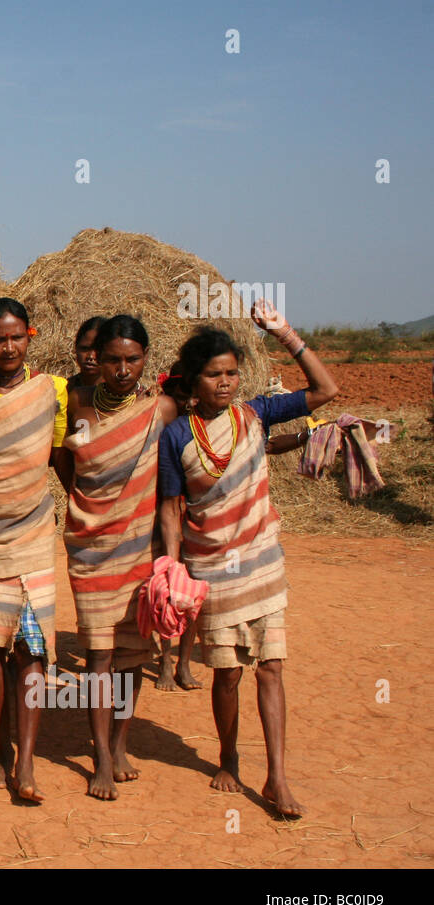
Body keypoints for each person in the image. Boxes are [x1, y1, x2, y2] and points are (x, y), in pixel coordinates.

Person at [157, 301, 338, 818]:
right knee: (228, 675)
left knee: (273, 667)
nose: (226, 383)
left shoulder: (256, 414)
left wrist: (285, 331)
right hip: (212, 571)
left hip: (262, 564)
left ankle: (278, 776)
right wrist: (171, 570)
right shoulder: (176, 436)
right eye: (214, 374)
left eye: (232, 373)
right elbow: (172, 510)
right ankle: (228, 756)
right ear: (194, 379)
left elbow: (326, 391)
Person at [60, 315, 178, 800]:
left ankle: (121, 743)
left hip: (138, 550)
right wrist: (93, 511)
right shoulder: (78, 405)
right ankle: (101, 757)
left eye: (132, 359)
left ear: (146, 359)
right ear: (98, 361)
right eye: (113, 359)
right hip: (90, 550)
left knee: (130, 655)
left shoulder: (162, 410)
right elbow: (65, 466)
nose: (123, 369)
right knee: (98, 655)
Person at [0, 297, 67, 802]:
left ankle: (26, 761)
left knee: (33, 648)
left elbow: (62, 453)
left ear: (31, 336)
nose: (8, 347)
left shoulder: (52, 391)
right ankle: (0, 750)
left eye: (17, 337)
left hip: (34, 534)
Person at [69, 316, 108, 389]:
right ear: (76, 348)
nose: (90, 356)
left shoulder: (119, 393)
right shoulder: (65, 390)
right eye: (84, 349)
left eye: (98, 350)